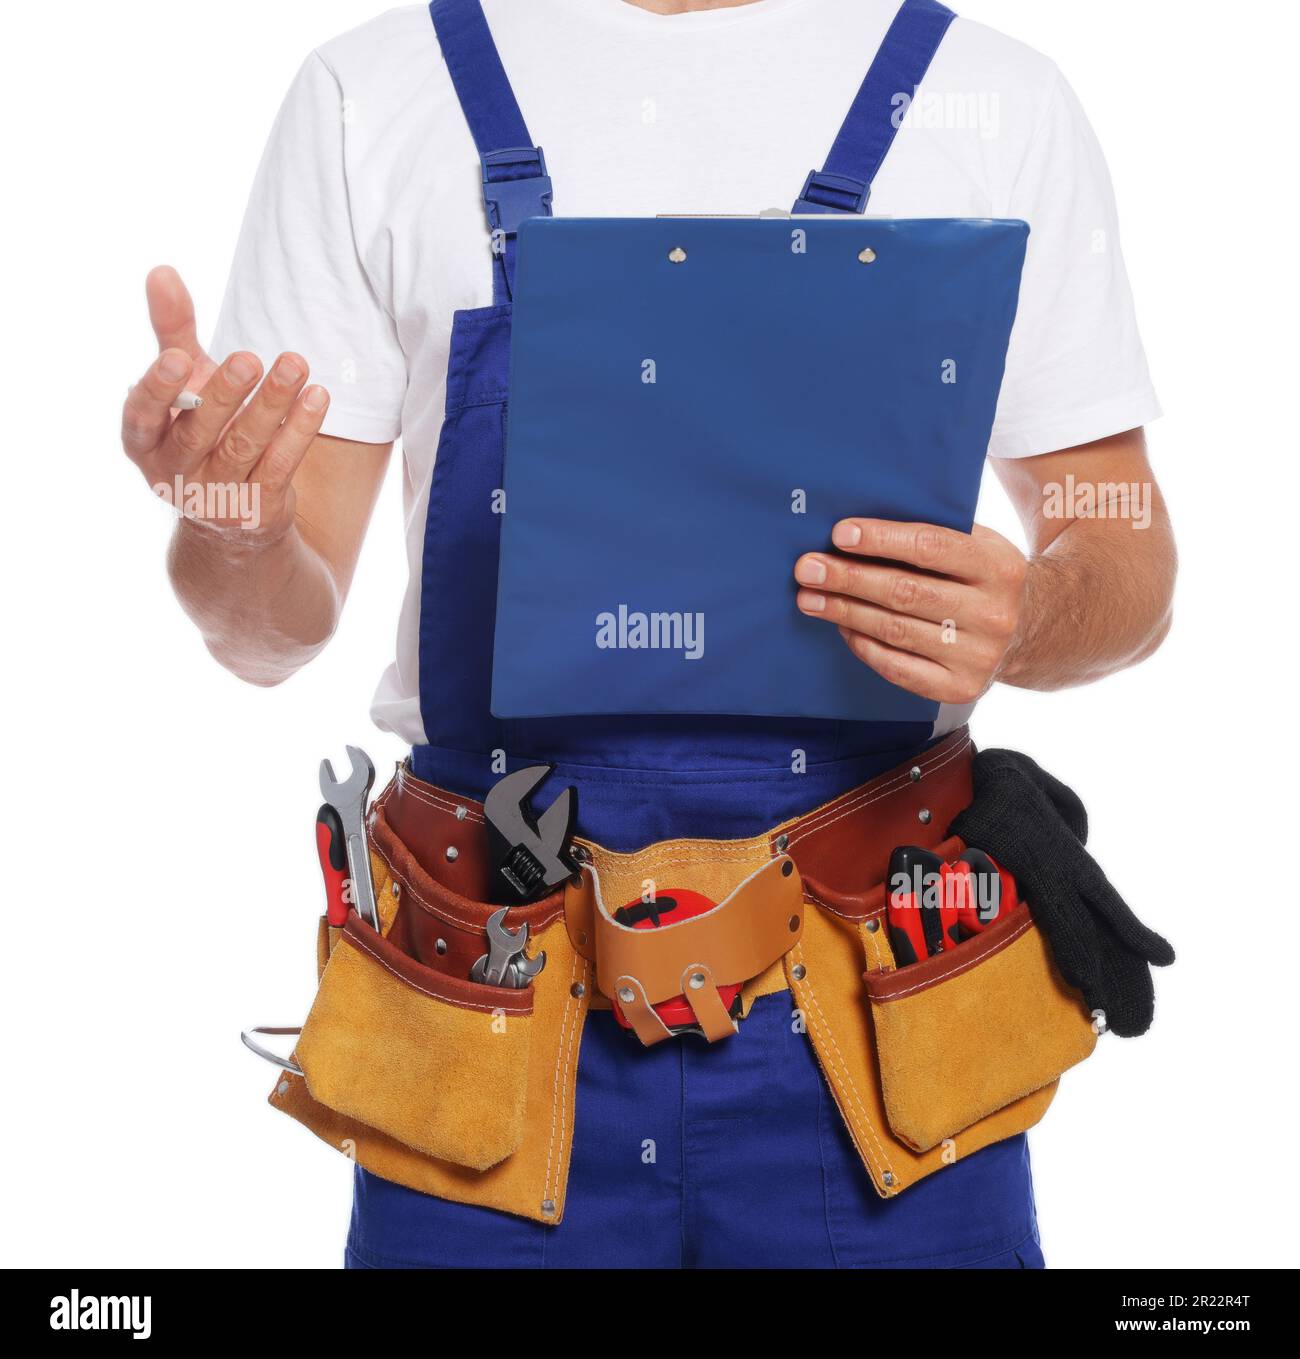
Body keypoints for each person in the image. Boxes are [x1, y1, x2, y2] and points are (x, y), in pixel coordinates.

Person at [121, 0, 1175, 1270]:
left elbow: (1126, 559)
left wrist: (1028, 618)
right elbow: (267, 635)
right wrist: (234, 530)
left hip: (876, 1019)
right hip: (487, 1017)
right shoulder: (372, 92)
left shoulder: (989, 94)